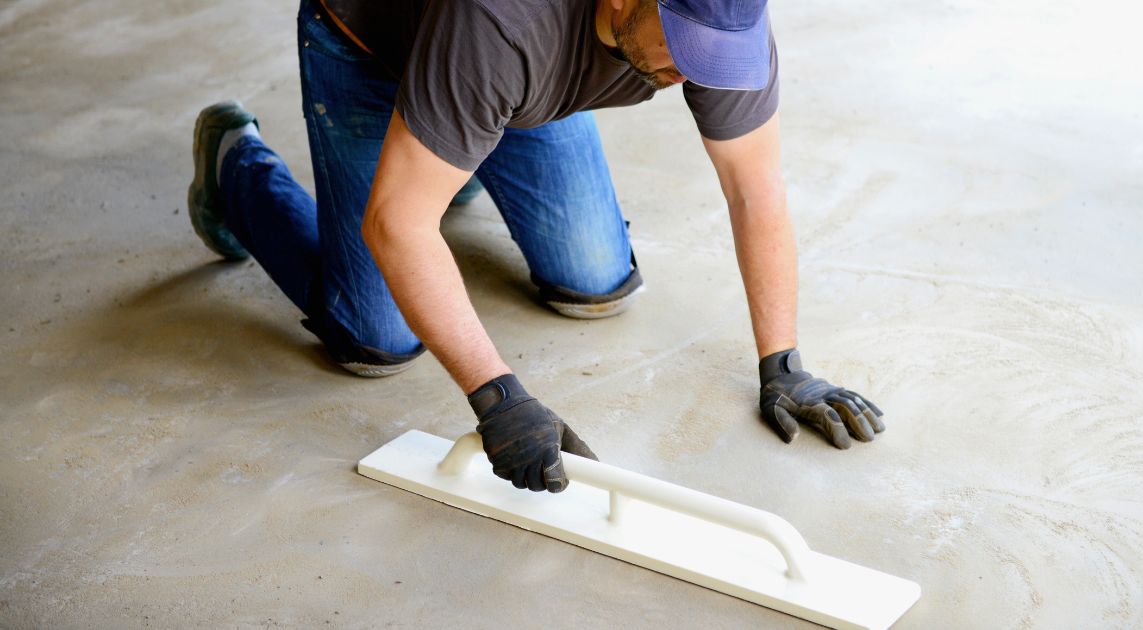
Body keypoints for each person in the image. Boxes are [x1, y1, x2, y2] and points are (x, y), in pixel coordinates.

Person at [187, 0, 887, 494]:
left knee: (596, 282)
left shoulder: (720, 25)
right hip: (371, 47)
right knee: (376, 338)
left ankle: (455, 145)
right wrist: (498, 398)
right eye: (684, 48)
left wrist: (784, 363)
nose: (699, 71)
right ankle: (234, 168)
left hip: (506, 77)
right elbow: (395, 225)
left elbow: (754, 188)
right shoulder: (505, 22)